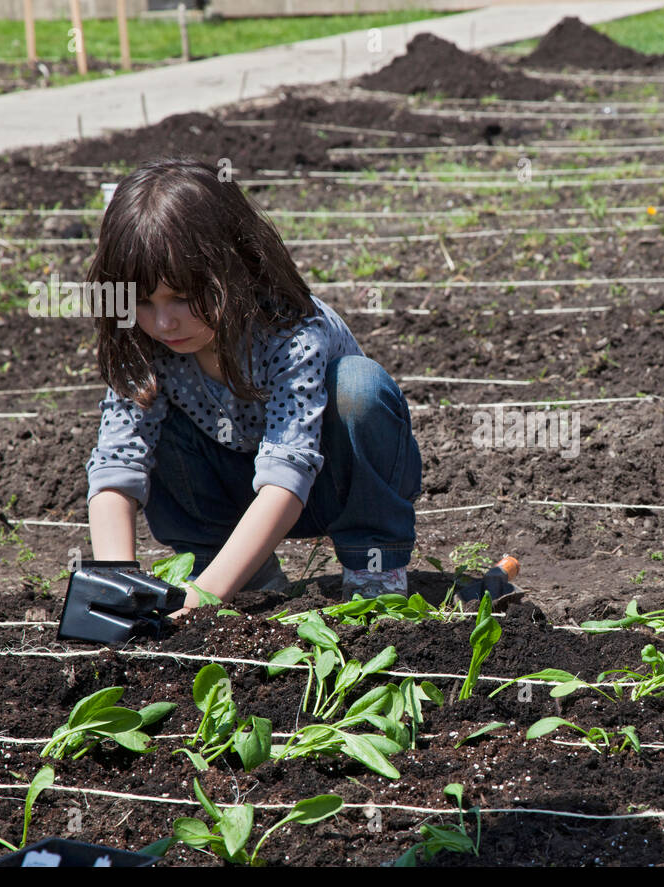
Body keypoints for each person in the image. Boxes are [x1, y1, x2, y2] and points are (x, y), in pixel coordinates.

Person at [84, 157, 421, 615]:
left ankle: (372, 569)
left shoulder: (291, 331)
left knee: (358, 388)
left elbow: (289, 470)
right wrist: (112, 586)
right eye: (143, 302)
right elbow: (116, 460)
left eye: (182, 298)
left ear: (232, 271)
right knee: (155, 418)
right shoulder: (147, 343)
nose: (163, 321)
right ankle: (246, 576)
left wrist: (205, 596)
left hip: (327, 488)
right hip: (241, 492)